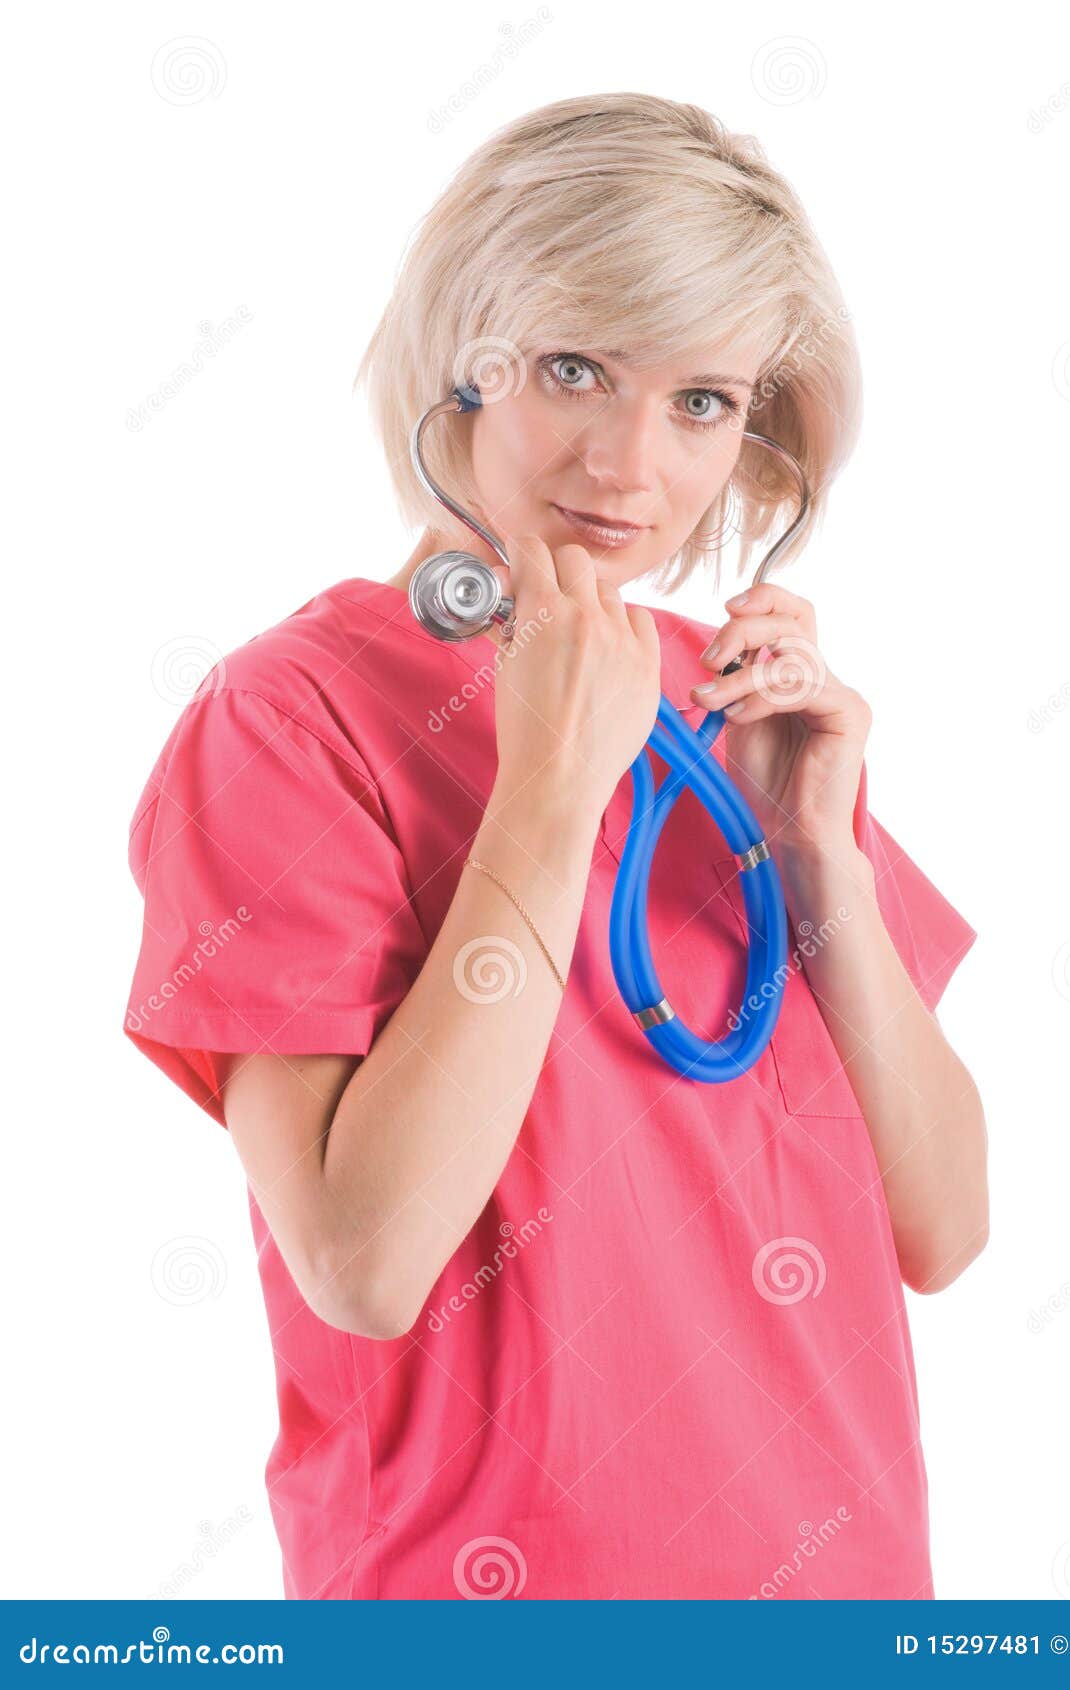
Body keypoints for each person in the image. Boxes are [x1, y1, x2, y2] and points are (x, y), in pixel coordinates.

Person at [122, 92, 987, 1601]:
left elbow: (947, 1226)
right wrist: (544, 796)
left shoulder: (735, 716)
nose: (631, 465)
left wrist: (822, 860)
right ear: (461, 358)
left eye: (705, 400)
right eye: (576, 368)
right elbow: (363, 1261)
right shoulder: (289, 717)